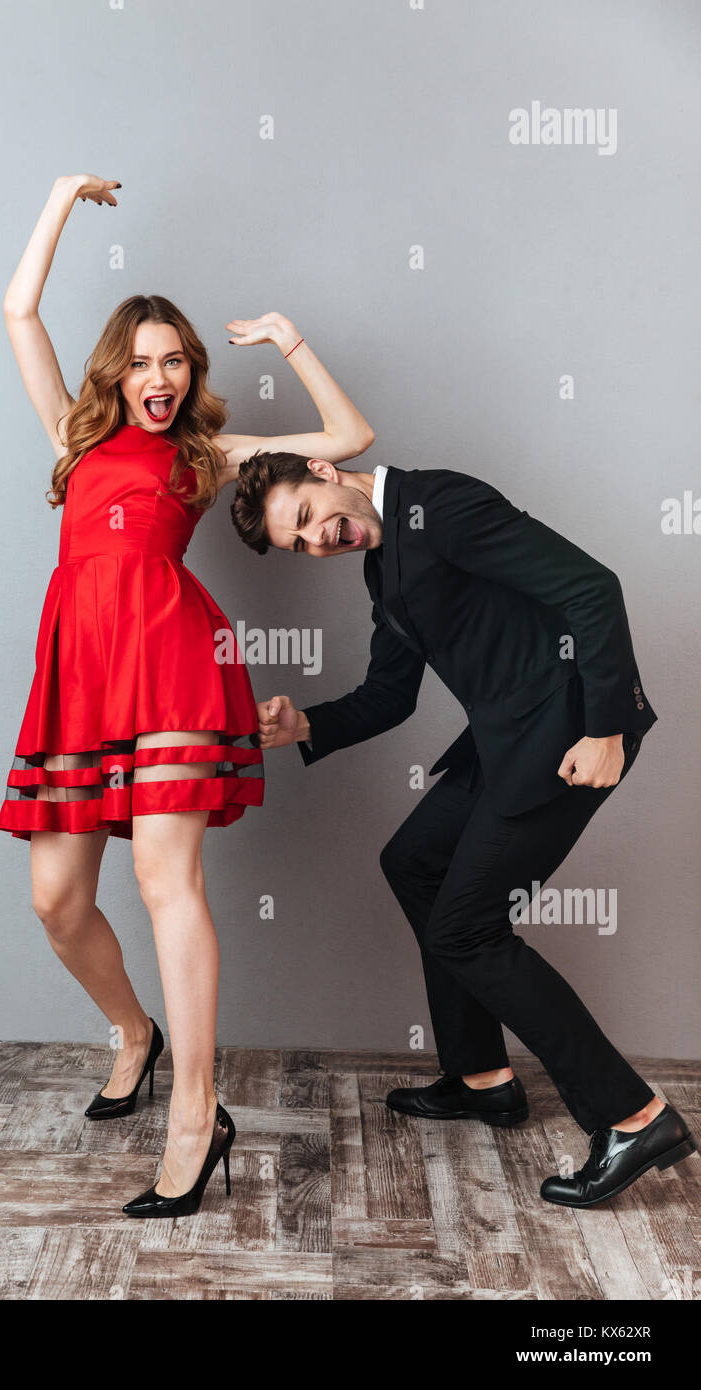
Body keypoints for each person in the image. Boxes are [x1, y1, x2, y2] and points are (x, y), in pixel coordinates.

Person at [0, 174, 375, 1218]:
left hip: (172, 662)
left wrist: (292, 343)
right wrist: (63, 196)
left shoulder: (202, 453)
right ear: (115, 372)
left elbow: (346, 440)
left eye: (176, 362)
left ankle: (196, 1112)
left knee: (170, 884)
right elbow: (18, 311)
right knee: (56, 900)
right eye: (143, 362)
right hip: (81, 673)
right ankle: (133, 1032)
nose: (160, 378)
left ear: (188, 373)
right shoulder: (74, 445)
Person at [230, 451, 697, 1207]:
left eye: (311, 517)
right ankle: (483, 1078)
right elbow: (390, 696)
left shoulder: (439, 506)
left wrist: (606, 728)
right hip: (507, 742)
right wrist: (304, 724)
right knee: (413, 860)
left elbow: (592, 587)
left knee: (466, 932)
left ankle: (633, 1117)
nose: (321, 540)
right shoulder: (382, 567)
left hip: (569, 737)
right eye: (301, 544)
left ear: (326, 470)